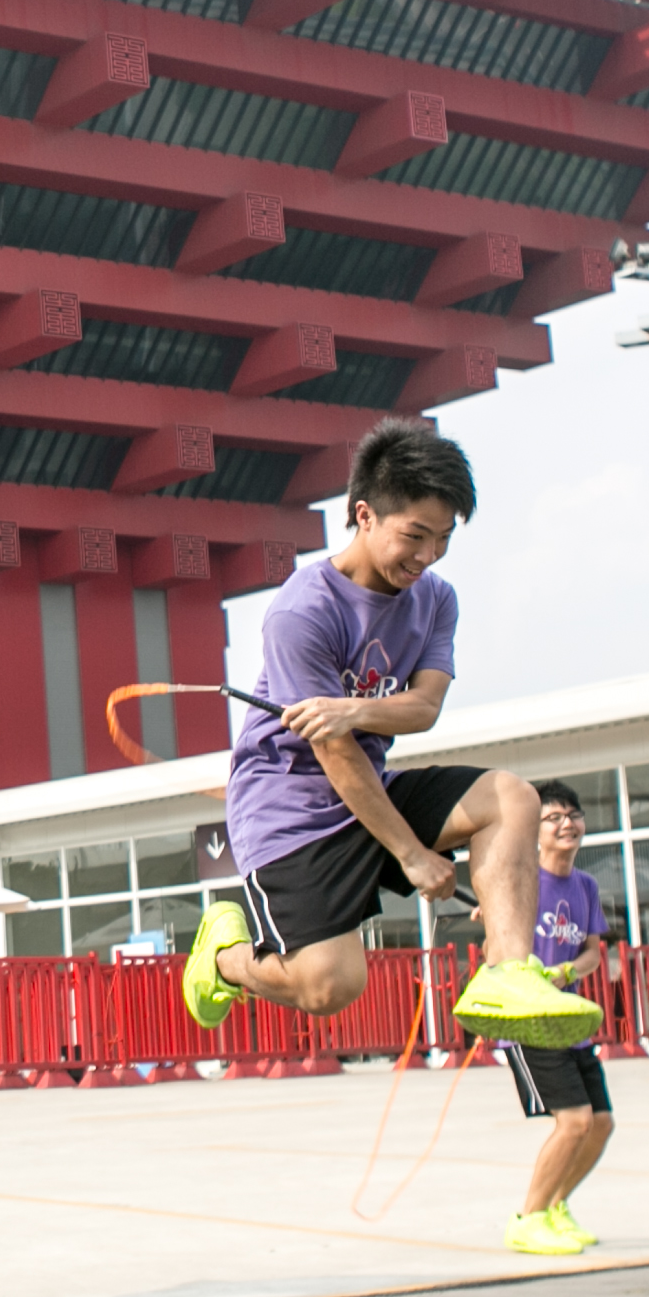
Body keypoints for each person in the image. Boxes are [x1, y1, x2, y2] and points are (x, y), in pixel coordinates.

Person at [181, 424, 590, 1047]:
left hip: (370, 783)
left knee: (511, 797)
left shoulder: (436, 600)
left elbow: (424, 707)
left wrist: (352, 710)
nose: (428, 556)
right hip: (290, 809)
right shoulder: (301, 611)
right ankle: (225, 958)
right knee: (330, 985)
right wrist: (411, 855)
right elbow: (333, 751)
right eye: (415, 536)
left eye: (444, 539)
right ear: (365, 514)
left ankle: (507, 973)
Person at [500, 782, 617, 1257]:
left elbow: (591, 952)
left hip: (569, 1022)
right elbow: (494, 941)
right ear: (535, 831)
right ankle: (527, 1220)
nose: (567, 824)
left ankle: (555, 1207)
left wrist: (568, 971)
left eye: (574, 814)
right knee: (573, 1122)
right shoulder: (520, 880)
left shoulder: (585, 886)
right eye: (554, 817)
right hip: (529, 1022)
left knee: (601, 1123)